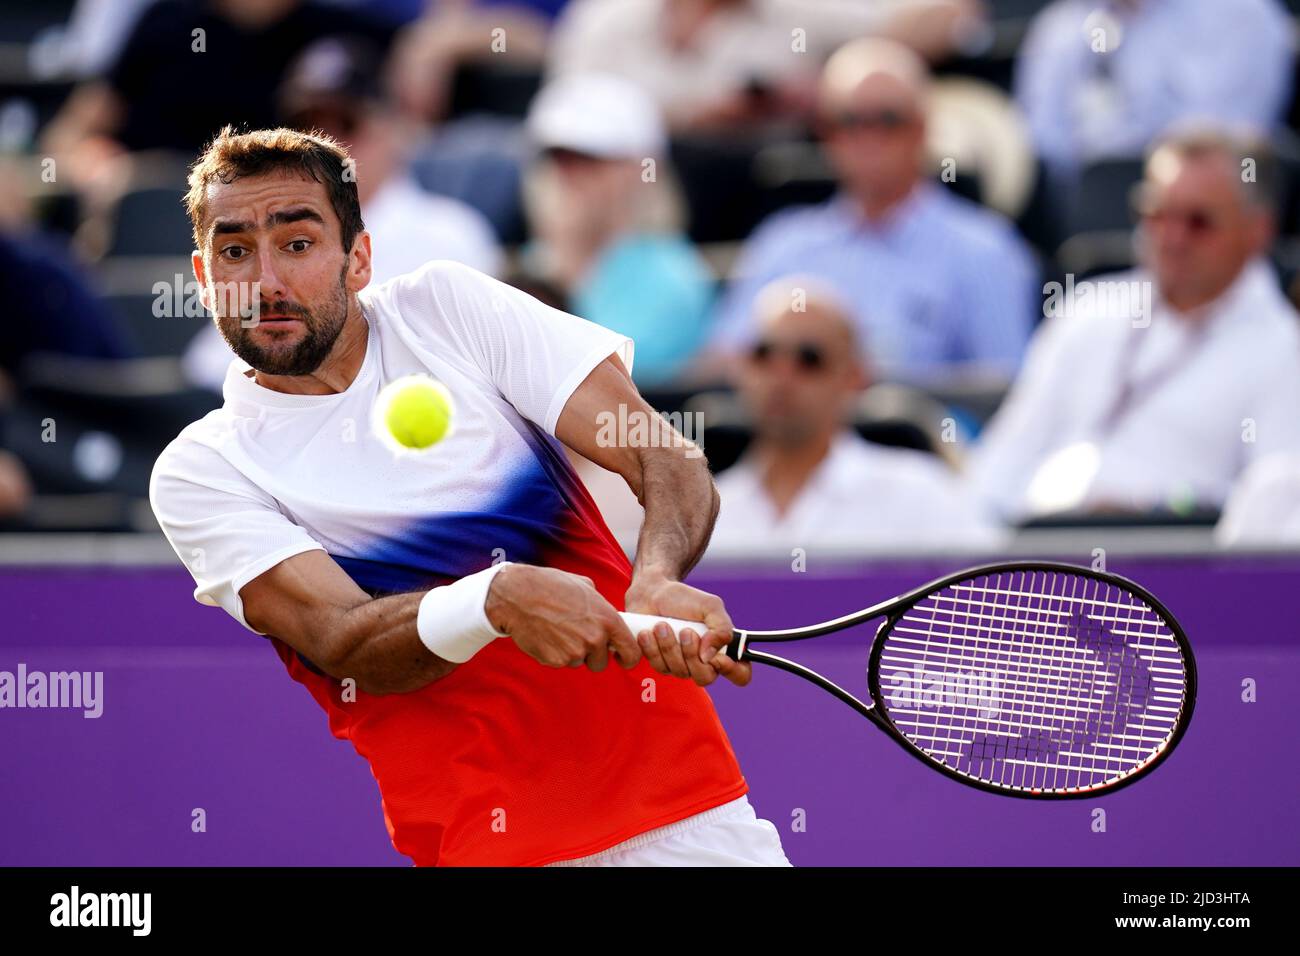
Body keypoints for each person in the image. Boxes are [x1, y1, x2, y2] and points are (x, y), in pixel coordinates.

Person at [149, 126, 789, 867]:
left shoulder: (446, 308)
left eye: (297, 244)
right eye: (235, 252)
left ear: (358, 258)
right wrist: (495, 600)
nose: (265, 280)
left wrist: (656, 578)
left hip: (695, 820)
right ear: (203, 276)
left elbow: (660, 452)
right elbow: (346, 644)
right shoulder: (205, 468)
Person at [967, 126, 1300, 523]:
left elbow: (1275, 517)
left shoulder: (1282, 348)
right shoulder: (1088, 311)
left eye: (1198, 221)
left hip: (1177, 573)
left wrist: (1162, 507)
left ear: (1257, 230)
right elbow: (1003, 462)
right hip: (1038, 556)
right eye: (1156, 213)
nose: (1172, 237)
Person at [703, 37, 1037, 383]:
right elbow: (728, 366)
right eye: (849, 121)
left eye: (887, 120)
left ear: (922, 130)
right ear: (827, 134)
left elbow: (1004, 392)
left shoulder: (984, 251)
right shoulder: (783, 245)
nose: (868, 138)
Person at [180, 37, 504, 390]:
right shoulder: (261, 235)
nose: (326, 142)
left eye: (345, 123)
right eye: (304, 129)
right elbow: (207, 365)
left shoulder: (453, 233)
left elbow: (468, 363)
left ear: (391, 125)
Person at [710, 278, 1001, 552]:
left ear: (854, 377)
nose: (781, 376)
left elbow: (995, 593)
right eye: (763, 354)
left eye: (809, 359)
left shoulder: (921, 495)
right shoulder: (703, 516)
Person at [521, 72, 716, 388]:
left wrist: (569, 260)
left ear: (641, 171)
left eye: (591, 160)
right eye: (559, 160)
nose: (569, 175)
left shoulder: (674, 277)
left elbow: (603, 390)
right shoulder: (529, 264)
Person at [548, 0, 987, 133]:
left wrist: (834, 82)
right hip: (633, 198)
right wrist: (697, 115)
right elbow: (560, 121)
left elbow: (950, 17)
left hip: (764, 191)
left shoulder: (801, 12)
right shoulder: (604, 21)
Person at [1015, 0, 1292, 180]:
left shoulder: (1241, 15)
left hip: (1203, 214)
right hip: (1088, 218)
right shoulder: (1058, 30)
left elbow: (1229, 145)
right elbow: (1044, 153)